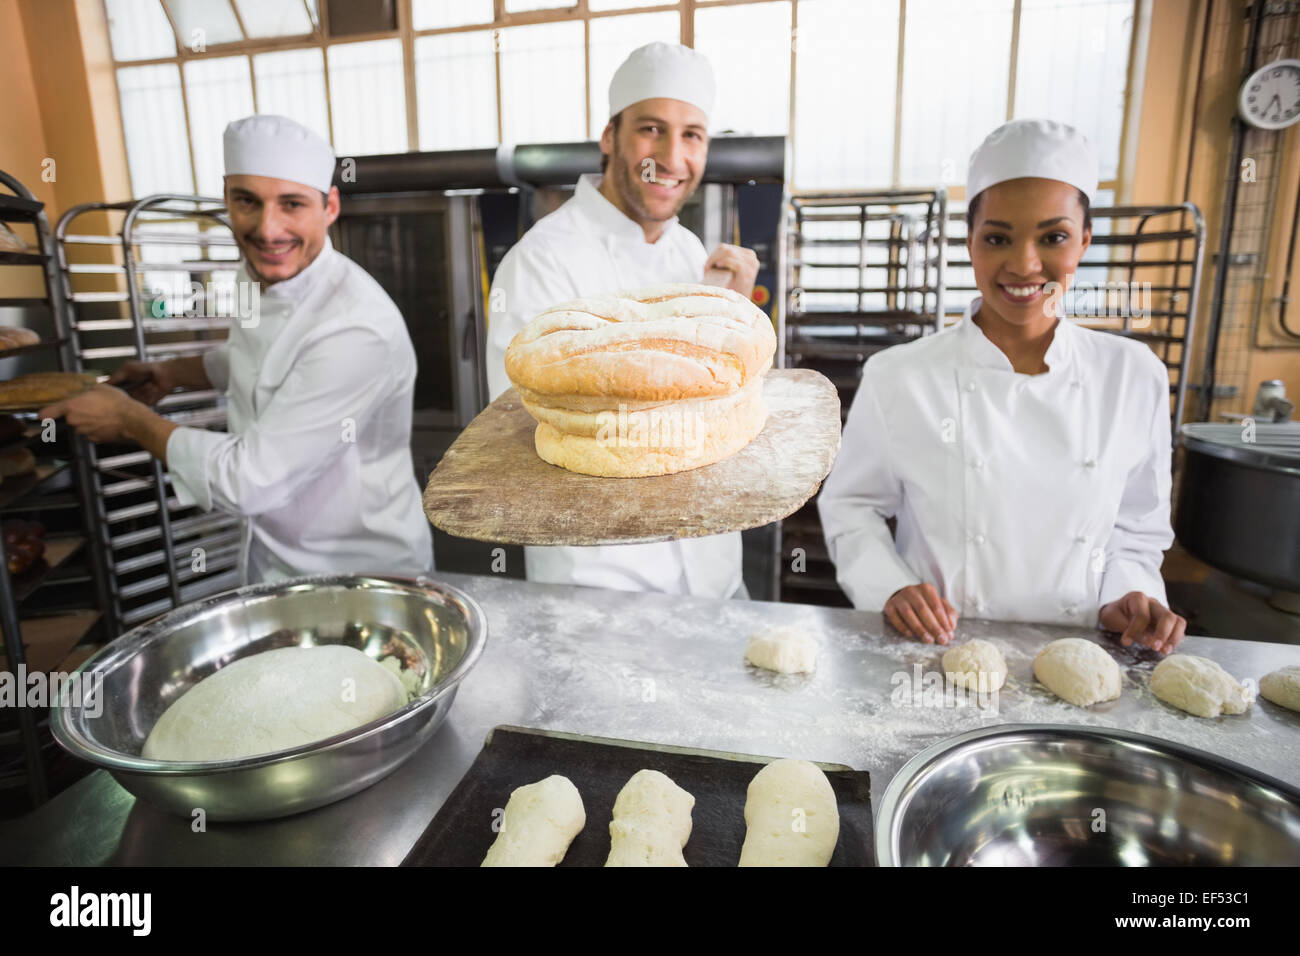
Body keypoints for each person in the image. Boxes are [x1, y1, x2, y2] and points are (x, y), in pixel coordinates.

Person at [818, 118, 1185, 653]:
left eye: (1053, 237)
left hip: (1082, 656)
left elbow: (1137, 527)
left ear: (1084, 240)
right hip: (937, 653)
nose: (1025, 264)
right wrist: (889, 586)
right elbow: (852, 506)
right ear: (970, 242)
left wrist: (1126, 594)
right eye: (998, 238)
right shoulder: (900, 375)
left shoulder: (1132, 374)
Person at [40, 114, 434, 585]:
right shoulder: (251, 273)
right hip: (273, 556)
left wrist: (129, 420)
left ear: (329, 207)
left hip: (358, 570)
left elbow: (252, 479)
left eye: (292, 204)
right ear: (226, 198)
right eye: (247, 201)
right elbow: (252, 359)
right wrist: (172, 372)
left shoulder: (354, 330)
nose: (268, 230)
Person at [485, 42, 760, 598]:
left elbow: (724, 417)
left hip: (714, 576)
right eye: (651, 129)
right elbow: (530, 428)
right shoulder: (541, 262)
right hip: (599, 583)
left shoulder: (689, 253)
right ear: (610, 137)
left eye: (692, 135)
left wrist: (733, 317)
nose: (673, 157)